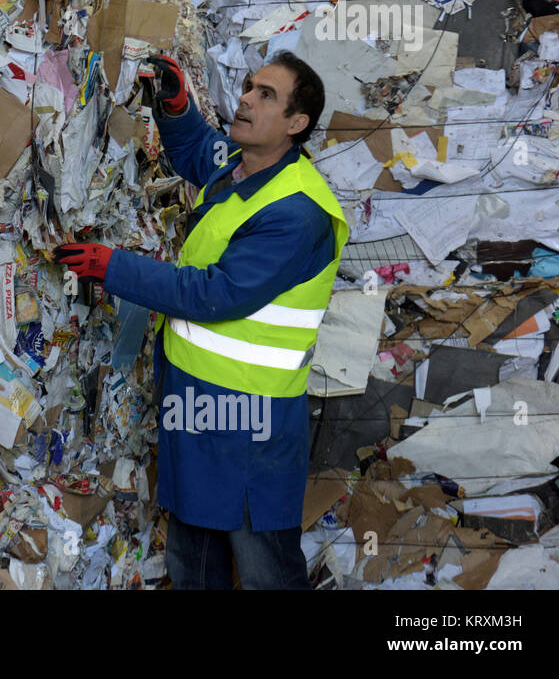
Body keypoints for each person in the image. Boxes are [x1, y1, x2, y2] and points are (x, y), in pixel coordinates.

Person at [56, 51, 348, 589]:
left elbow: (215, 294)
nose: (245, 98)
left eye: (266, 95)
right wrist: (176, 106)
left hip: (249, 420)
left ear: (296, 123)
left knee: (264, 564)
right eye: (248, 86)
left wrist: (113, 266)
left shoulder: (297, 213)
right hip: (193, 401)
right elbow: (196, 149)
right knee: (194, 554)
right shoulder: (243, 165)